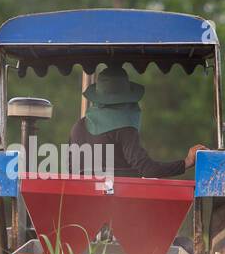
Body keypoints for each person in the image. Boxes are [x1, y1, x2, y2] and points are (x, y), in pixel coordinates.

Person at [68, 64, 208, 178]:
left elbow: (71, 170)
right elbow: (147, 170)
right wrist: (186, 162)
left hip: (83, 203)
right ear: (126, 99)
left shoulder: (77, 127)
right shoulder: (125, 129)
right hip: (118, 204)